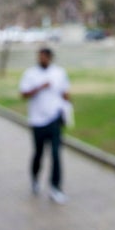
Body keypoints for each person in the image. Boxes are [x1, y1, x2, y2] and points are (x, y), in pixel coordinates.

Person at [18, 46, 71, 204]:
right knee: (39, 153)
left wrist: (66, 110)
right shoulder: (30, 74)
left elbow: (65, 93)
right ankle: (35, 179)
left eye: (44, 57)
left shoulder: (59, 73)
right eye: (39, 57)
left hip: (54, 119)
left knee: (56, 154)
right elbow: (23, 94)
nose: (41, 59)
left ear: (50, 58)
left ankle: (55, 188)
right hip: (37, 121)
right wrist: (40, 87)